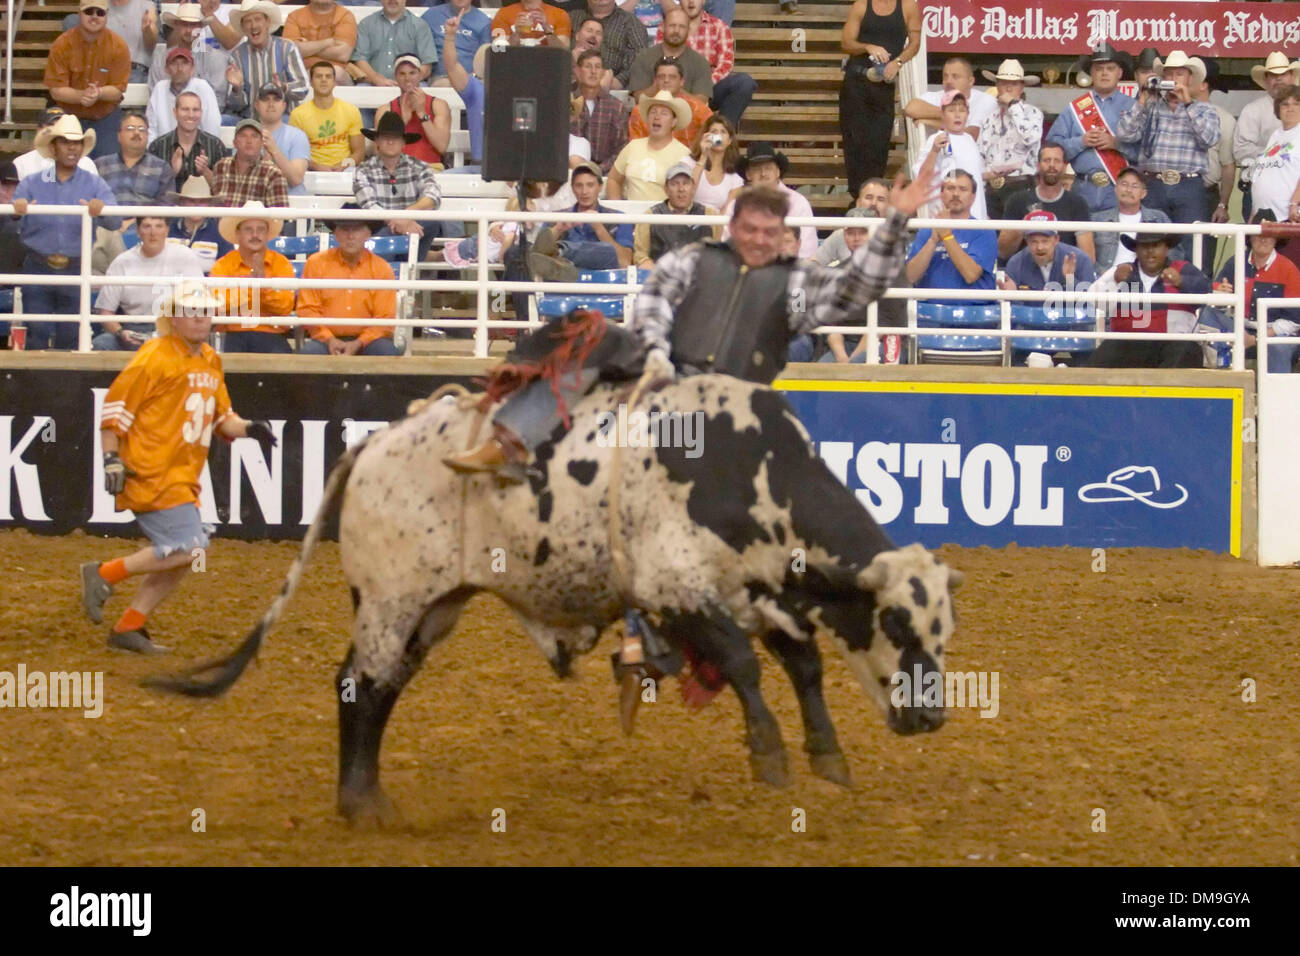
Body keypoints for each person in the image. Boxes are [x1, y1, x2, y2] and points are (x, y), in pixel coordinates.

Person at [445, 162, 940, 476]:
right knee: (589, 328)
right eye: (750, 228)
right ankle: (508, 441)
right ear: (732, 228)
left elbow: (860, 289)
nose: (760, 240)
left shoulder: (795, 281)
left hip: (731, 414)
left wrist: (895, 223)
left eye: (771, 232)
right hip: (670, 398)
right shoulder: (693, 260)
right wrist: (658, 363)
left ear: (782, 237)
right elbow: (653, 305)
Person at [80, 282, 278, 655]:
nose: (201, 319)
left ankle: (129, 626)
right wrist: (112, 458)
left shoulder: (210, 360)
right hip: (150, 469)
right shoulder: (153, 357)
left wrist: (251, 428)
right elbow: (115, 412)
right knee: (189, 549)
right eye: (192, 312)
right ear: (173, 317)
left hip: (181, 474)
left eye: (205, 312)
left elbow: (224, 419)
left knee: (183, 555)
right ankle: (104, 574)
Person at [11, 115, 123, 350]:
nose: (72, 147)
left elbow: (115, 221)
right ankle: (36, 385)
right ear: (53, 147)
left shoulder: (95, 184)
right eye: (65, 141)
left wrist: (100, 210)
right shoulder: (31, 183)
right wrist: (17, 210)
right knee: (36, 333)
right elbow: (11, 222)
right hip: (38, 266)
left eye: (76, 142)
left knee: (71, 334)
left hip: (75, 266)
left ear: (82, 147)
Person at [1115, 50, 1220, 230]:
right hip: (1153, 184)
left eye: (1179, 74)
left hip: (1188, 185)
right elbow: (1124, 134)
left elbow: (1209, 139)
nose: (1174, 78)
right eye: (1169, 73)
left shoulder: (1204, 109)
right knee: (1152, 240)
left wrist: (1187, 103)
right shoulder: (1150, 106)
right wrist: (1142, 100)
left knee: (1190, 243)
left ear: (1189, 78)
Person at [1088, 232, 1209, 368]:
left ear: (1166, 248)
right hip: (1128, 344)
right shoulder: (1122, 270)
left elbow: (1205, 293)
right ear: (1136, 250)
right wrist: (1115, 281)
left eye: (1156, 245)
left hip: (1173, 344)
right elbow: (1093, 300)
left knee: (1188, 350)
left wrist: (1182, 281)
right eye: (1144, 246)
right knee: (1105, 353)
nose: (1150, 251)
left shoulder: (1182, 269)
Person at [1045, 42, 1137, 216]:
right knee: (1082, 241)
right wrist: (1081, 141)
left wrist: (1116, 144)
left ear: (1119, 73)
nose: (1104, 73)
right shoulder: (1074, 109)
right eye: (1099, 68)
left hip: (1120, 191)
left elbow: (1146, 150)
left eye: (1110, 68)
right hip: (1083, 189)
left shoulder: (1133, 107)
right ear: (1091, 73)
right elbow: (1051, 148)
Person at [840, 0, 920, 197]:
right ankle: (857, 196)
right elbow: (846, 43)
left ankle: (874, 195)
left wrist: (899, 62)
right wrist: (868, 46)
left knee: (879, 144)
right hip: (857, 80)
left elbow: (915, 43)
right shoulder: (861, 5)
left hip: (883, 83)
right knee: (854, 143)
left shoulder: (908, 6)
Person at [92, 216, 207, 350]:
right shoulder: (122, 262)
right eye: (147, 226)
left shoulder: (184, 256)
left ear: (167, 230)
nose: (153, 233)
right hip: (133, 328)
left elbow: (199, 301)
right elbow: (105, 312)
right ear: (138, 231)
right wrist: (121, 332)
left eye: (159, 226)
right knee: (102, 343)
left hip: (174, 327)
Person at [298, 207, 401, 357]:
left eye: (357, 229)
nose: (350, 236)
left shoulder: (382, 268)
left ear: (368, 233)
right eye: (345, 229)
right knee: (309, 354)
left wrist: (360, 342)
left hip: (370, 341)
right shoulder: (315, 263)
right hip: (325, 340)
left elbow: (385, 318)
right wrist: (329, 339)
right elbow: (307, 310)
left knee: (386, 353)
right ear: (336, 233)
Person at [1212, 209, 1300, 374]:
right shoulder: (1235, 262)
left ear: (1276, 239)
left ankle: (1275, 397)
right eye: (1258, 233)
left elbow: (1294, 320)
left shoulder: (1289, 269)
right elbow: (1216, 302)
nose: (1264, 238)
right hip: (1237, 326)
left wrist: (1256, 339)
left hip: (1275, 333)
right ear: (1250, 237)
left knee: (1277, 349)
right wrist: (1219, 293)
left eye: (1269, 234)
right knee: (1207, 317)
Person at [45, 0, 132, 159]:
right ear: (79, 14)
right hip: (68, 115)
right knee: (60, 165)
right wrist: (81, 96)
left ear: (106, 16)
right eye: (89, 11)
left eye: (100, 13)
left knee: (107, 168)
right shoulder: (61, 45)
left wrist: (98, 93)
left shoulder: (119, 46)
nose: (94, 16)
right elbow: (56, 90)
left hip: (106, 117)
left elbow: (118, 90)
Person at [355, 111, 445, 260]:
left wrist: (406, 216)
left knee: (430, 223)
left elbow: (433, 195)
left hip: (411, 224)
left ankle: (398, 272)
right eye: (385, 137)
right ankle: (403, 274)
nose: (391, 142)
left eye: (395, 138)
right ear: (376, 141)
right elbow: (369, 206)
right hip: (381, 228)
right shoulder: (363, 170)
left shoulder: (419, 166)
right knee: (382, 236)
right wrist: (398, 222)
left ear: (403, 142)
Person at [209, 201, 296, 352]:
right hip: (232, 333)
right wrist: (256, 286)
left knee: (284, 367)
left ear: (267, 234)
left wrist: (257, 288)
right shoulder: (223, 264)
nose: (255, 235)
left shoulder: (282, 264)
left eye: (261, 230)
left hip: (272, 334)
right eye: (249, 229)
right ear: (238, 234)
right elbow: (217, 305)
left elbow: (285, 307)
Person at [528, 161, 634, 280]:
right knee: (519, 252)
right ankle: (559, 253)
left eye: (590, 185)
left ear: (600, 187)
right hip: (565, 280)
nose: (584, 191)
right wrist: (558, 229)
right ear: (573, 189)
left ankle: (559, 251)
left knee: (608, 250)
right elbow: (537, 251)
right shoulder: (558, 217)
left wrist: (599, 229)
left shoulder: (619, 218)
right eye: (579, 185)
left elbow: (624, 262)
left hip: (604, 279)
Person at [905, 169, 996, 303]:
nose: (955, 194)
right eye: (950, 188)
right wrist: (932, 241)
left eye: (963, 189)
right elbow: (911, 276)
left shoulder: (984, 230)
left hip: (973, 314)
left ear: (973, 197)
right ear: (941, 195)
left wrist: (947, 236)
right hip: (930, 314)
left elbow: (970, 275)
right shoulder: (926, 230)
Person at [666, 0, 756, 128]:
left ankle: (721, 131)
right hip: (680, 87)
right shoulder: (667, 28)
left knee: (744, 82)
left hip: (711, 87)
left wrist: (705, 86)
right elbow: (664, 62)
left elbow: (725, 64)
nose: (691, 2)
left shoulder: (719, 26)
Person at [999, 144, 1095, 263]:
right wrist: (1022, 226)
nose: (1051, 165)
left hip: (1064, 276)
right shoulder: (1017, 200)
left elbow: (1088, 259)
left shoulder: (1078, 203)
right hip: (1024, 276)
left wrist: (1069, 279)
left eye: (1057, 161)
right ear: (1038, 166)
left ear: (1065, 167)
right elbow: (1003, 252)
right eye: (1047, 160)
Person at [977, 59, 1042, 222]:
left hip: (1020, 185)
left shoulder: (1032, 113)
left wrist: (1013, 105)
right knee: (993, 237)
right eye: (1004, 83)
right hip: (991, 188)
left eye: (1013, 84)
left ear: (1022, 88)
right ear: (997, 86)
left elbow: (1030, 137)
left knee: (1021, 236)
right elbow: (981, 155)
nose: (1008, 88)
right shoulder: (989, 118)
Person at [224, 0, 310, 120]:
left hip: (282, 118)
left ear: (267, 22)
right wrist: (237, 88)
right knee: (225, 120)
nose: (253, 26)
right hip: (250, 121)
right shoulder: (236, 56)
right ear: (243, 28)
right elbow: (235, 106)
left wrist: (284, 87)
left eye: (257, 19)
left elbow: (304, 87)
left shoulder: (287, 48)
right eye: (248, 21)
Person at [1234, 52, 1295, 222]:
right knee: (1258, 241)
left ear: (1291, 76)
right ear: (1266, 80)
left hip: (1294, 190)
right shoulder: (1253, 110)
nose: (1278, 79)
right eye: (1273, 75)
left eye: (1283, 74)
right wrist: (1277, 155)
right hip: (1259, 188)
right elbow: (1241, 151)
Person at [729, 143, 817, 259]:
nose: (763, 174)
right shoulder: (736, 205)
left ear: (778, 172)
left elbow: (807, 249)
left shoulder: (799, 203)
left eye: (768, 168)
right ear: (748, 175)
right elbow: (729, 244)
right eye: (757, 169)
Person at [631, 161, 720, 269]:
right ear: (666, 189)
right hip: (662, 278)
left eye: (686, 183)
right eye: (674, 184)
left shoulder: (710, 215)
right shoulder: (650, 216)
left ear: (693, 187)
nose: (681, 189)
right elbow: (641, 258)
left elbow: (718, 254)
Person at [606, 90, 692, 201]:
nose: (657, 117)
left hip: (664, 216)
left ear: (673, 122)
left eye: (664, 113)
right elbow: (614, 179)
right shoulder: (633, 147)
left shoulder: (683, 154)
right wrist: (618, 211)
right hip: (631, 216)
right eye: (653, 112)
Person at [915, 91, 987, 220]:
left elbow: (977, 175)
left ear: (968, 114)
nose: (957, 115)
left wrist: (997, 173)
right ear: (942, 114)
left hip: (975, 215)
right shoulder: (935, 139)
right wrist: (934, 151)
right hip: (946, 214)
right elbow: (921, 177)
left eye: (962, 110)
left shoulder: (970, 140)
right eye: (951, 110)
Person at [1191, 57, 1235, 271]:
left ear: (1203, 84)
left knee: (1203, 260)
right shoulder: (1172, 111)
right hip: (1172, 187)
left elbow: (1228, 165)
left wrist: (1223, 204)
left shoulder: (1224, 118)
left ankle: (1201, 305)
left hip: (1206, 192)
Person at [999, 210, 1096, 300]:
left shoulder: (1080, 260)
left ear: (1056, 239)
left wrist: (1070, 280)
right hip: (1030, 318)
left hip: (1068, 318)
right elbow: (1011, 311)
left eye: (1045, 241)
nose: (1039, 247)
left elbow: (1090, 305)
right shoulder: (1015, 264)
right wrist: (1012, 297)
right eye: (1034, 242)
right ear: (1026, 241)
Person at [375, 54, 452, 167]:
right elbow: (378, 152)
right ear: (395, 77)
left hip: (430, 169)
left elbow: (442, 146)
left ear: (420, 75)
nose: (407, 78)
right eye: (402, 74)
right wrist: (402, 122)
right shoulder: (385, 109)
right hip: (396, 170)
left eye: (412, 73)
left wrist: (422, 114)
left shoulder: (437, 105)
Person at [1090, 165, 1172, 271]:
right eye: (1124, 184)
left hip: (1145, 280)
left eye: (1135, 186)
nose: (1128, 190)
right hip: (1106, 280)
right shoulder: (1097, 219)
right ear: (1116, 189)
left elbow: (1174, 253)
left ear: (1143, 194)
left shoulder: (1159, 219)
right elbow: (1086, 257)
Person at [291, 61, 367, 171]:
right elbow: (296, 153)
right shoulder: (298, 114)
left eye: (328, 76)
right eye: (318, 76)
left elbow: (359, 152)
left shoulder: (350, 110)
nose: (323, 80)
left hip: (345, 168)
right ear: (311, 82)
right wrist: (317, 167)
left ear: (334, 82)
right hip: (311, 170)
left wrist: (344, 165)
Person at [148, 4, 230, 104]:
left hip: (206, 115)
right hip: (168, 114)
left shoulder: (215, 57)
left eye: (193, 25)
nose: (188, 30)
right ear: (176, 26)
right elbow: (155, 95)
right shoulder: (161, 59)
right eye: (184, 24)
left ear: (200, 27)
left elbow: (219, 100)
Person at [627, 7, 712, 100]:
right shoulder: (644, 57)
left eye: (682, 27)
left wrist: (677, 89)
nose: (676, 31)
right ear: (663, 27)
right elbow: (638, 98)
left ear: (688, 30)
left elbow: (702, 102)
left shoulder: (700, 62)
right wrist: (657, 86)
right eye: (672, 25)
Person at [96, 109, 175, 207]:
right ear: (119, 136)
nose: (137, 132)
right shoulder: (100, 165)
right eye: (130, 128)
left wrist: (136, 222)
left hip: (147, 222)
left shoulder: (162, 168)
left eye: (142, 129)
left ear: (147, 136)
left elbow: (166, 206)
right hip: (107, 222)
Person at [147, 91, 228, 187]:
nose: (191, 115)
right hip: (169, 202)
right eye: (185, 109)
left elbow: (224, 191)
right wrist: (172, 172)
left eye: (195, 110)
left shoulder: (216, 146)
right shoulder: (157, 147)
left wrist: (205, 171)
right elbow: (150, 190)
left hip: (205, 201)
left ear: (201, 113)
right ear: (175, 112)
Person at [351, 0, 438, 87]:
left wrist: (407, 80)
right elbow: (360, 60)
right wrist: (376, 79)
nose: (392, 0)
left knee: (423, 89)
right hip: (372, 82)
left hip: (411, 84)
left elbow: (427, 65)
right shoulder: (366, 24)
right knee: (361, 88)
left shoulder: (420, 26)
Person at [904, 56, 997, 136]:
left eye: (955, 77)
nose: (948, 81)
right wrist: (952, 119)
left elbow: (971, 135)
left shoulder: (985, 100)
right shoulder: (934, 96)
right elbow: (910, 109)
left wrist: (930, 121)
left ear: (970, 81)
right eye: (945, 76)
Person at [627, 59, 712, 147]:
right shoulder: (640, 111)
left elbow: (713, 136)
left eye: (672, 77)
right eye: (661, 76)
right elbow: (635, 147)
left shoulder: (698, 109)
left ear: (682, 81)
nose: (666, 80)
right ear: (655, 80)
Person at [147, 46, 223, 141]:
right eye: (174, 64)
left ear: (192, 69)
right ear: (166, 69)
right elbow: (151, 129)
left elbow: (212, 127)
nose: (180, 69)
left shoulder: (203, 87)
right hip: (163, 150)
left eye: (184, 63)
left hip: (199, 149)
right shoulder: (159, 88)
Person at [210, 118, 291, 207]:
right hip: (222, 220)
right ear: (235, 143)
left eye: (254, 136)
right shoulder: (221, 166)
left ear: (262, 143)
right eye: (243, 136)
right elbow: (212, 205)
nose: (249, 141)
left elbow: (278, 217)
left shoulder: (274, 174)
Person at [571, 0, 649, 91]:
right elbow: (559, 51)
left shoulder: (631, 22)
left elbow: (640, 57)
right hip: (570, 84)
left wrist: (619, 81)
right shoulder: (572, 18)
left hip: (614, 89)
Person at [571, 50, 628, 174]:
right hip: (570, 172)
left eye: (597, 67)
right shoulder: (566, 104)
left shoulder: (616, 107)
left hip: (606, 174)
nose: (593, 71)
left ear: (603, 73)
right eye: (588, 66)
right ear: (578, 72)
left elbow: (622, 148)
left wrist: (599, 170)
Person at [440, 23, 486, 168]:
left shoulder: (518, 92)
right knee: (441, 184)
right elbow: (451, 66)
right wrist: (450, 37)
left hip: (511, 171)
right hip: (479, 167)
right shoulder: (475, 89)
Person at [816, 176, 891, 264]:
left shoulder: (898, 236)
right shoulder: (842, 234)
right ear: (858, 203)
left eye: (880, 199)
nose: (874, 203)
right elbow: (813, 263)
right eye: (869, 197)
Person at [283, 0, 358, 86]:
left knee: (334, 74)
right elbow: (291, 51)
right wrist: (327, 42)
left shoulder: (345, 15)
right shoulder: (294, 16)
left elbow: (343, 54)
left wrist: (308, 46)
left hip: (338, 74)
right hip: (303, 72)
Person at [255, 83, 310, 196]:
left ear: (284, 105)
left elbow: (296, 179)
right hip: (256, 203)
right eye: (265, 99)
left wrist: (274, 150)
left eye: (276, 99)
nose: (271, 104)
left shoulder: (297, 136)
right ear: (257, 105)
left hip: (293, 206)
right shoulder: (246, 135)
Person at [13, 109, 100, 180]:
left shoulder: (86, 163)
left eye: (61, 126)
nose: (57, 130)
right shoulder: (21, 163)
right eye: (51, 126)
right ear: (39, 130)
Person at [166, 175, 234, 267]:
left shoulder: (220, 233)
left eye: (202, 201)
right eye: (191, 201)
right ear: (182, 203)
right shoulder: (166, 229)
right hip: (170, 281)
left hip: (207, 281)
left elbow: (227, 268)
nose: (196, 205)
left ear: (209, 204)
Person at [685, 112, 742, 211]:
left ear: (729, 141)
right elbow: (686, 193)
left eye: (723, 132)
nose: (718, 136)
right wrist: (703, 157)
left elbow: (727, 211)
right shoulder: (688, 162)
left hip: (716, 224)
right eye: (714, 132)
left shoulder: (735, 178)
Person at [425, 0, 492, 82]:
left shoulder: (484, 21)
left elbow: (485, 58)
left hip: (471, 79)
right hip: (441, 77)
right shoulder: (430, 15)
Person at [106, 0, 157, 84]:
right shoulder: (100, 6)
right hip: (105, 69)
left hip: (135, 70)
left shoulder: (147, 6)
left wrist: (147, 30)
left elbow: (151, 46)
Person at [491, 0, 571, 46]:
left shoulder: (560, 14)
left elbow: (563, 52)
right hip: (514, 65)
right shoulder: (502, 14)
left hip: (547, 66)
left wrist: (547, 28)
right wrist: (517, 33)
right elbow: (499, 51)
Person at [569, 17, 615, 92]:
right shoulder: (562, 60)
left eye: (598, 33)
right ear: (577, 36)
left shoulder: (605, 71)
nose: (593, 35)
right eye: (589, 31)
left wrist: (577, 65)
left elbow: (594, 95)